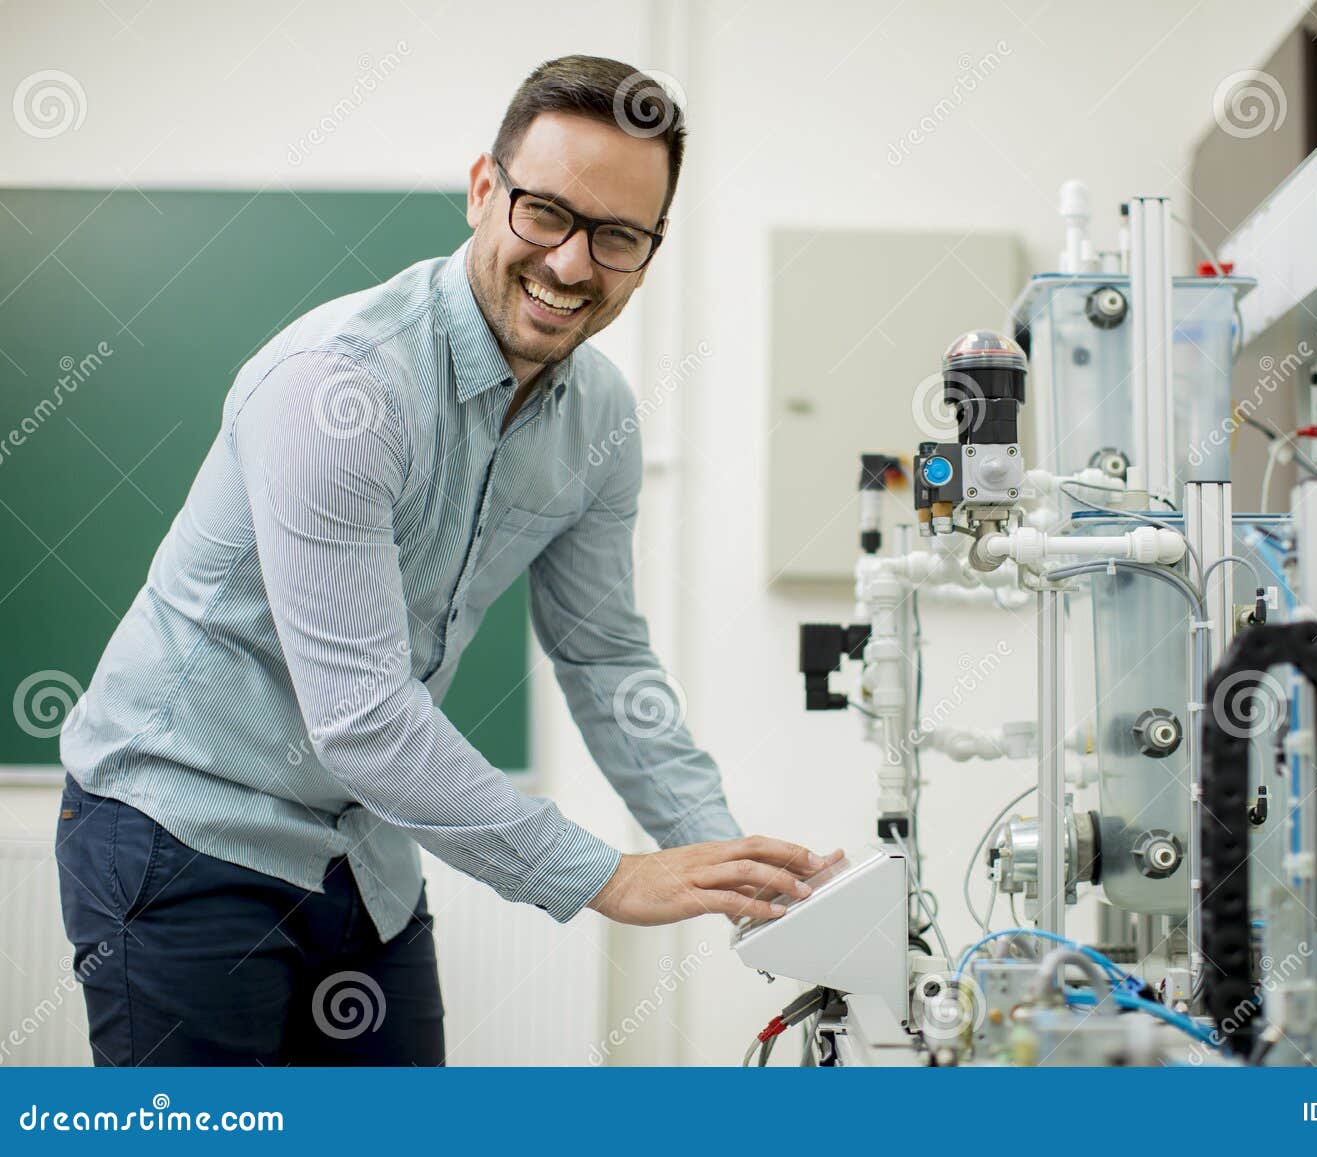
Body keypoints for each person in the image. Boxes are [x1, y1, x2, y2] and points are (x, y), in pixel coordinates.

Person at [56, 54, 837, 1067]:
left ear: (650, 249)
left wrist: (729, 864)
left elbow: (603, 656)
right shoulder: (339, 388)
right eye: (544, 213)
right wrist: (605, 875)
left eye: (616, 236)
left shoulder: (598, 413)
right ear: (482, 190)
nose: (570, 264)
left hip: (361, 852)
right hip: (178, 831)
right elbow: (365, 718)